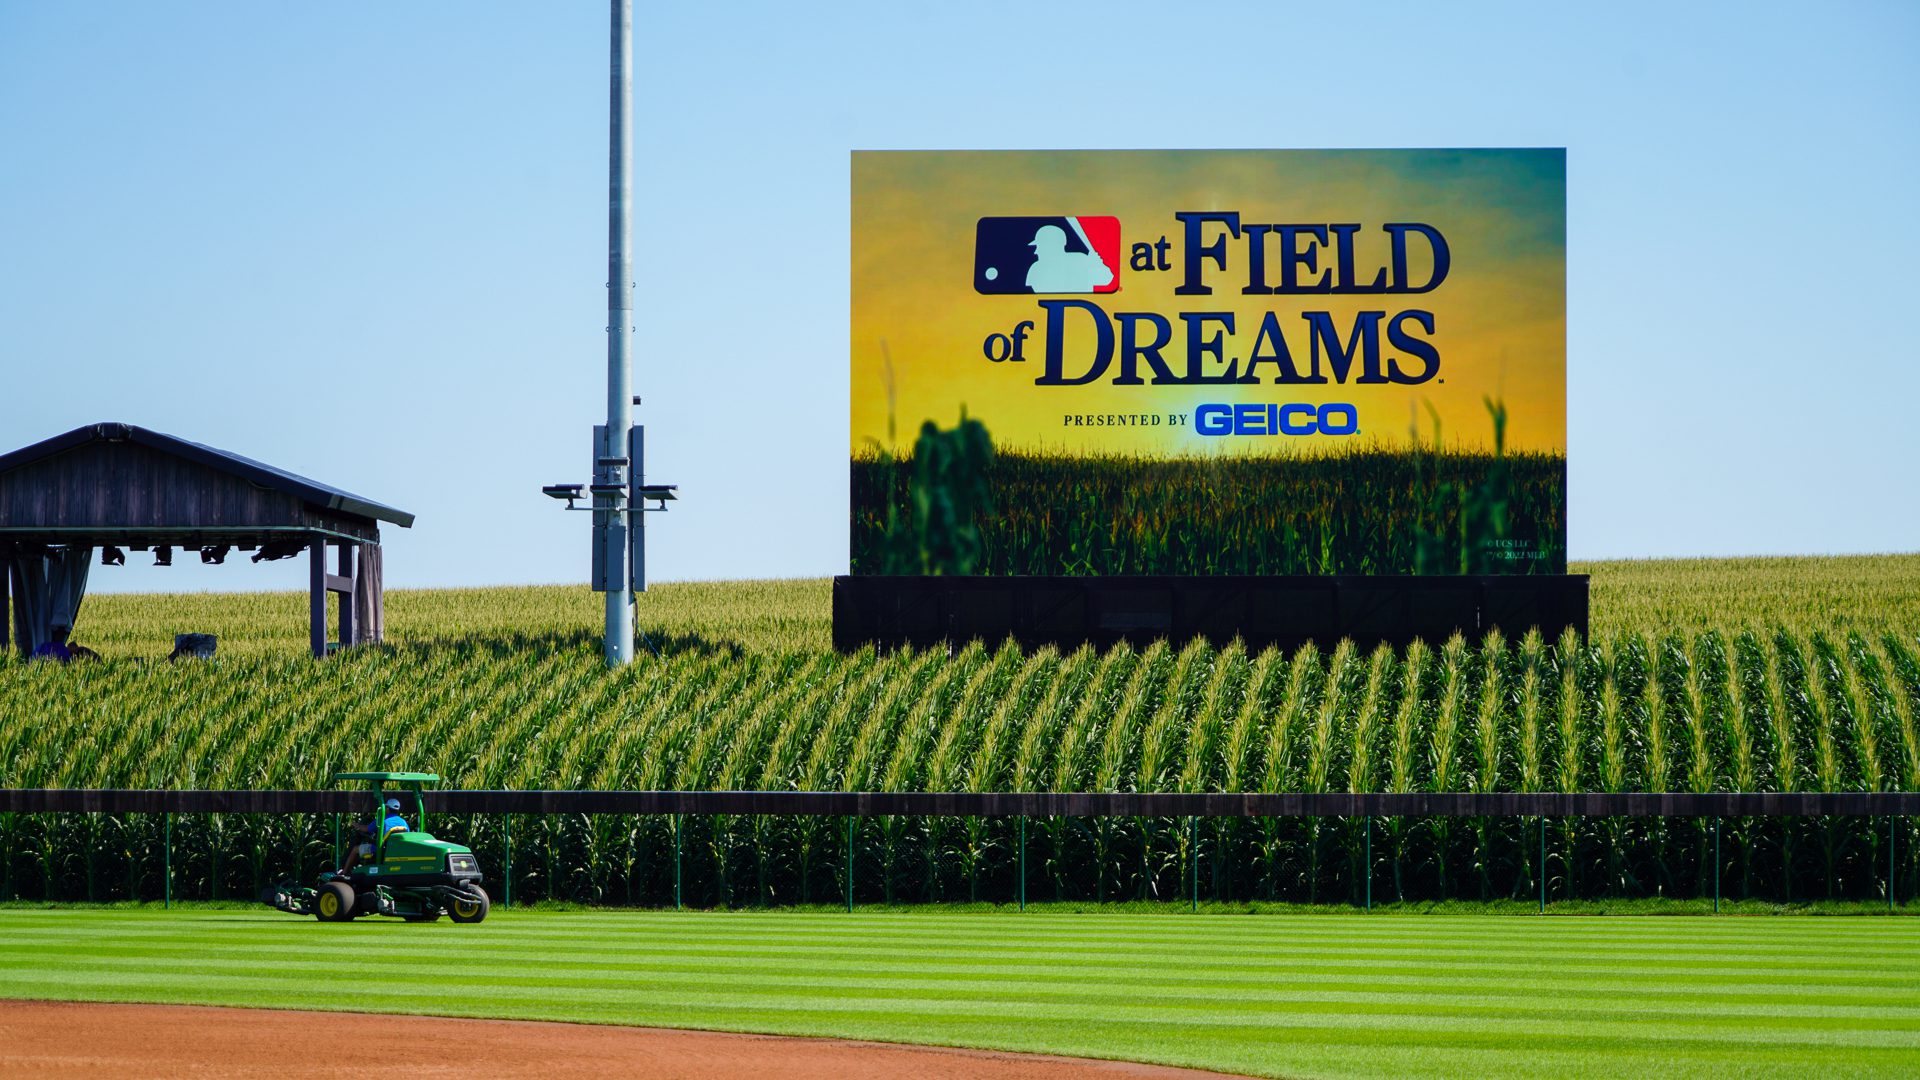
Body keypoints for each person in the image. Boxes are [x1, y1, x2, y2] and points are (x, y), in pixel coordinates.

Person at [1024, 223, 1114, 293]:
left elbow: (1106, 279)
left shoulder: (1080, 260)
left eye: (1040, 246)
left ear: (1052, 246)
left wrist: (1097, 265)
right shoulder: (1036, 268)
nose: (1036, 251)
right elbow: (1028, 296)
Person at [338, 798, 410, 876]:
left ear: (388, 809)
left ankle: (344, 872)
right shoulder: (404, 822)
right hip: (396, 851)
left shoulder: (382, 820)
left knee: (355, 849)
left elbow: (366, 829)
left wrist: (356, 825)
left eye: (386, 807)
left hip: (380, 850)